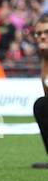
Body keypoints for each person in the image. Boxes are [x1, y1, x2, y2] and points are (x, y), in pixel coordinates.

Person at [32, 14, 48, 169]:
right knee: (43, 105)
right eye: (39, 33)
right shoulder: (45, 58)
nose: (42, 37)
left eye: (47, 32)